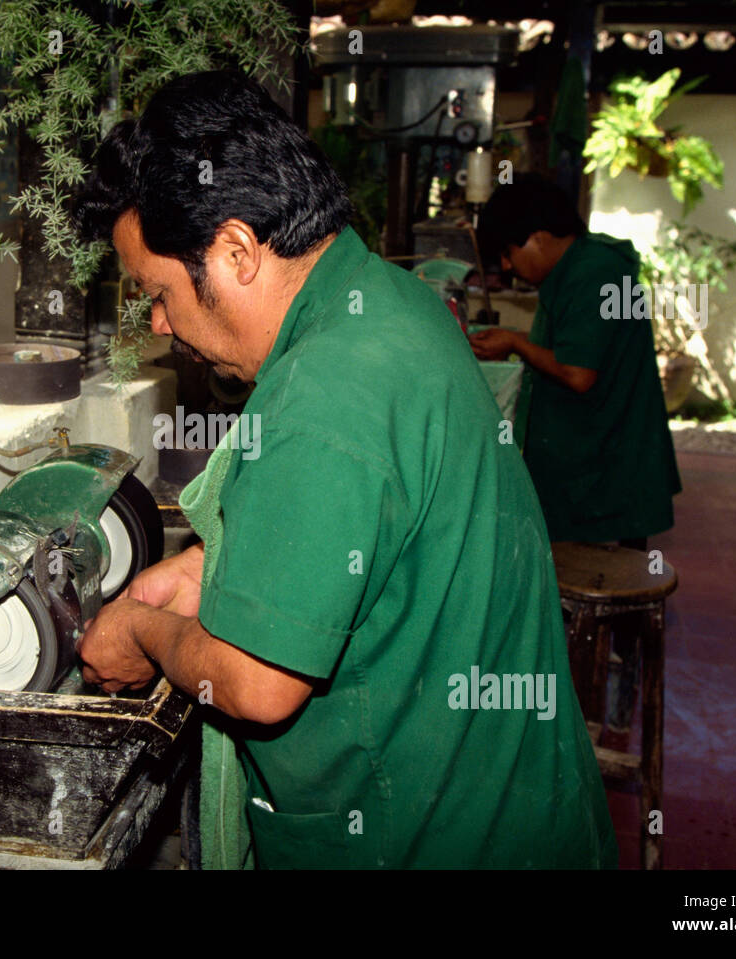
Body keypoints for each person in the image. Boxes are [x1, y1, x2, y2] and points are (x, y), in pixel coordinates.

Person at [73, 71, 616, 869]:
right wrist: (214, 569)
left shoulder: (319, 394)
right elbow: (380, 536)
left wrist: (144, 634)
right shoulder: (388, 303)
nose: (159, 321)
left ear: (235, 251)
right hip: (510, 801)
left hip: (426, 835)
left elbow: (256, 684)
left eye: (157, 292)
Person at [468, 175, 682, 739]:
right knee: (598, 597)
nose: (511, 269)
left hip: (608, 464)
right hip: (594, 456)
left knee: (613, 601)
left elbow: (579, 373)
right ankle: (595, 703)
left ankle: (605, 715)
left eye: (511, 255)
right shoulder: (582, 266)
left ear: (537, 238)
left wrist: (514, 343)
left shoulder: (594, 274)